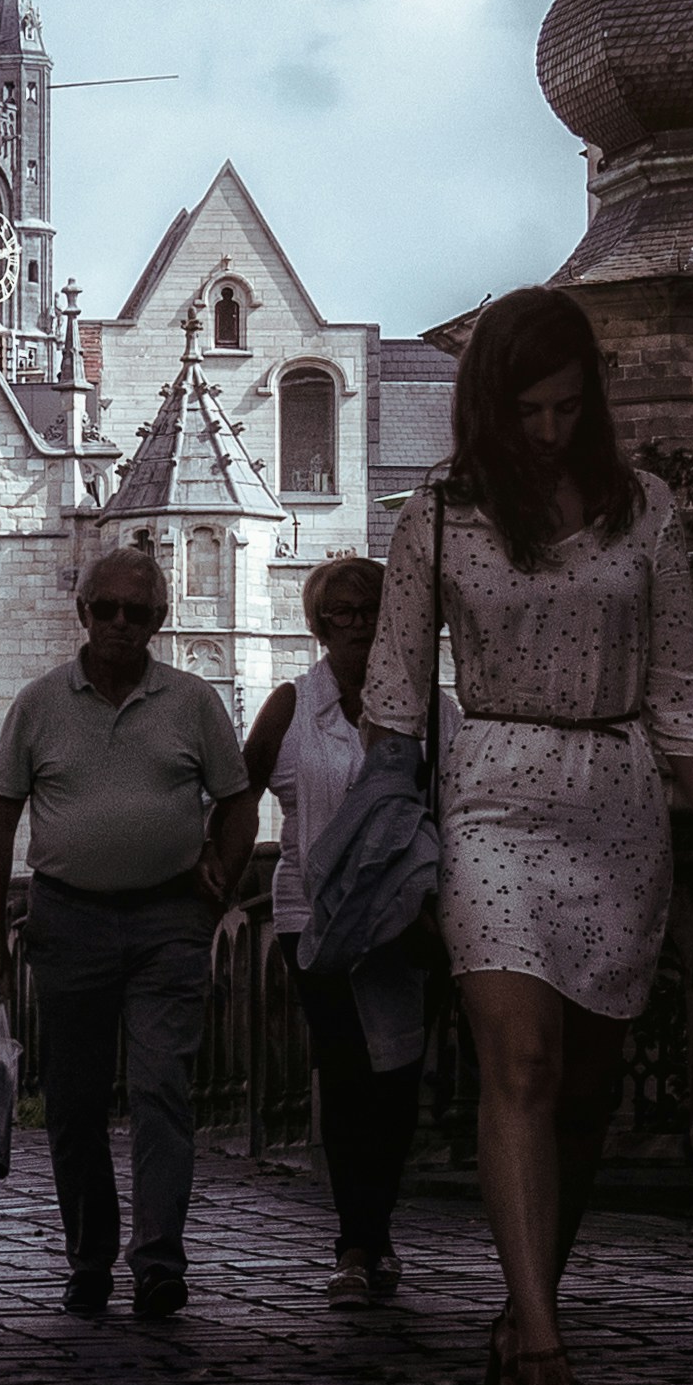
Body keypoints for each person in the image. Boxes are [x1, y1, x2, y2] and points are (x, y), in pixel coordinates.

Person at [368, 285, 693, 1385]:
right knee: (523, 1066)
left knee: (586, 1098)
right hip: (490, 795)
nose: (548, 428)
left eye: (567, 404)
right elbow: (395, 702)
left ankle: (521, 1305)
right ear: (489, 405)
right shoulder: (437, 521)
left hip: (618, 800)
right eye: (526, 408)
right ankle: (546, 1357)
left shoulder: (645, 512)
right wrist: (390, 847)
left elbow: (685, 691)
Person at [0, 548, 256, 1321]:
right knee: (73, 1101)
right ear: (83, 613)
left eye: (137, 613)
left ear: (159, 622)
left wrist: (219, 880)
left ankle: (158, 1259)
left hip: (169, 918)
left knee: (163, 1086)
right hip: (67, 916)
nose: (120, 625)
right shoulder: (38, 704)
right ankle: (89, 1255)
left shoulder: (192, 701)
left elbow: (237, 801)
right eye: (107, 610)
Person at [252, 555, 447, 1306]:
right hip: (316, 922)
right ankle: (354, 1242)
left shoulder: (433, 711)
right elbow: (239, 788)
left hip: (408, 921)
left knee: (396, 1079)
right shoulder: (292, 705)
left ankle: (375, 1230)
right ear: (319, 624)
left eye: (372, 609)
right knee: (345, 1072)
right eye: (342, 612)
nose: (358, 623)